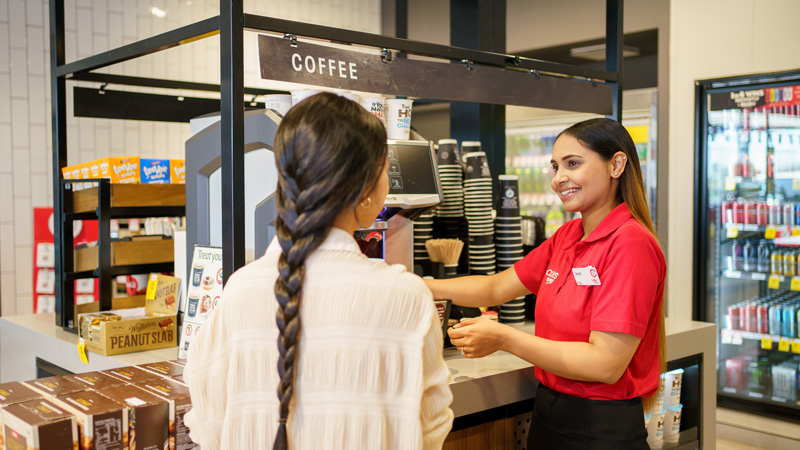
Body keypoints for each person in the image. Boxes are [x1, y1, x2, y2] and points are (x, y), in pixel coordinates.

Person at [184, 93, 453, 450]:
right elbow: (431, 427)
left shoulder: (239, 290)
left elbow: (207, 423)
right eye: (387, 170)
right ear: (367, 189)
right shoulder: (408, 298)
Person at [426, 118, 666, 450]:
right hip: (549, 415)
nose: (559, 179)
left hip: (600, 428)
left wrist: (505, 337)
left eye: (573, 164)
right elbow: (496, 288)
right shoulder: (568, 236)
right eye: (555, 167)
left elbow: (606, 364)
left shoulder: (630, 244)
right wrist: (420, 286)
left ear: (617, 164)